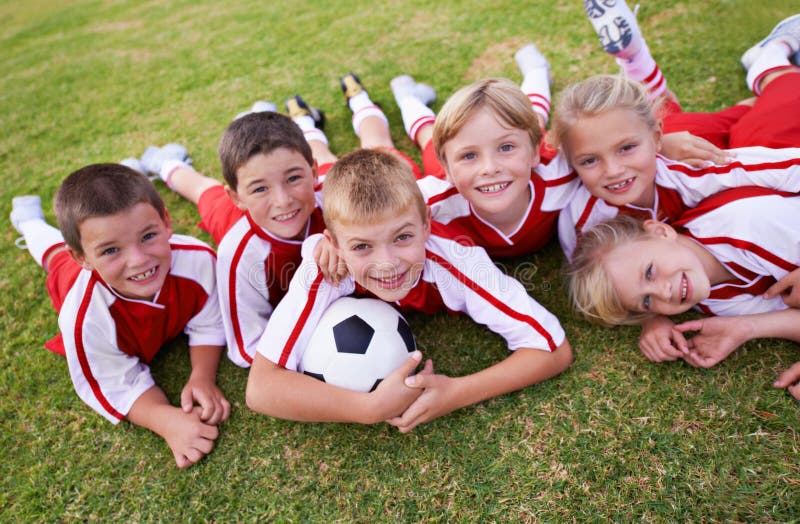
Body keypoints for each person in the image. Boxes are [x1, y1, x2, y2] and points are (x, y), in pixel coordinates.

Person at [245, 148, 572, 432]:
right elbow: (261, 387)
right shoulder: (326, 268)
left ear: (426, 226)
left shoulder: (455, 258)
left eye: (403, 238)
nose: (387, 263)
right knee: (331, 162)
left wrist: (455, 393)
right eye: (362, 247)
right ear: (334, 244)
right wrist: (368, 408)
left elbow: (553, 349)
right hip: (368, 197)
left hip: (423, 184)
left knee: (417, 150)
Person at [125, 74, 421, 367]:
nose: (283, 200)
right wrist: (319, 344)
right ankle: (167, 163)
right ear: (238, 196)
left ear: (314, 171)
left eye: (293, 178)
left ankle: (257, 118)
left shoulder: (335, 197)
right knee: (204, 192)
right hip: (236, 220)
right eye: (260, 187)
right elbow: (246, 349)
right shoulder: (238, 253)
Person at [9, 164, 230, 468]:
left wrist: (201, 377)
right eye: (111, 250)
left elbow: (209, 322)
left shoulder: (198, 259)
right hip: (74, 279)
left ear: (166, 222)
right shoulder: (83, 316)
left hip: (100, 269)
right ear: (84, 257)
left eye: (148, 236)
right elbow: (118, 383)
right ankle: (29, 223)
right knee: (53, 256)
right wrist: (166, 421)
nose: (138, 260)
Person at [566, 187, 800, 400]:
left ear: (661, 231)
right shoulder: (714, 303)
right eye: (647, 301)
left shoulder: (745, 222)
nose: (663, 292)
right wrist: (746, 327)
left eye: (650, 272)